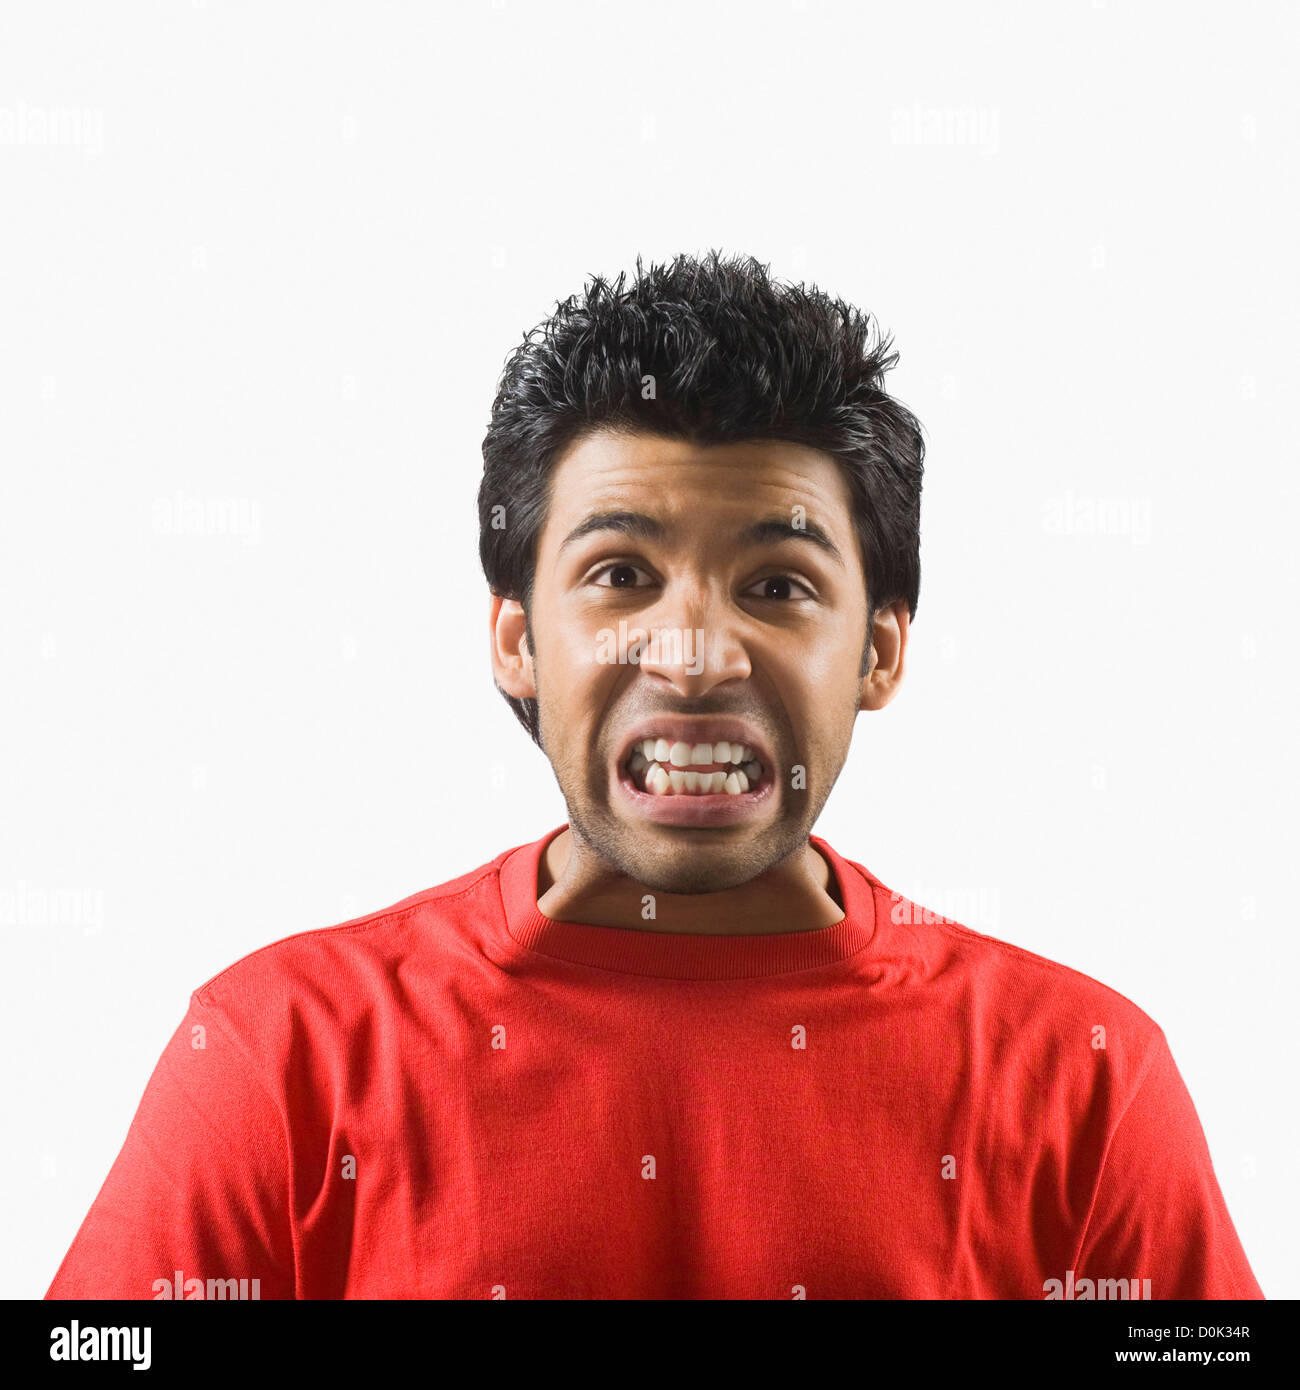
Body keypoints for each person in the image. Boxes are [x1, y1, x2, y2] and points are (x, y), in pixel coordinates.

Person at [46, 251, 1263, 1299]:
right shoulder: (277, 1054)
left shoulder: (1087, 1082)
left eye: (777, 585)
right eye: (621, 573)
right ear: (517, 640)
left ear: (879, 650)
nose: (694, 655)